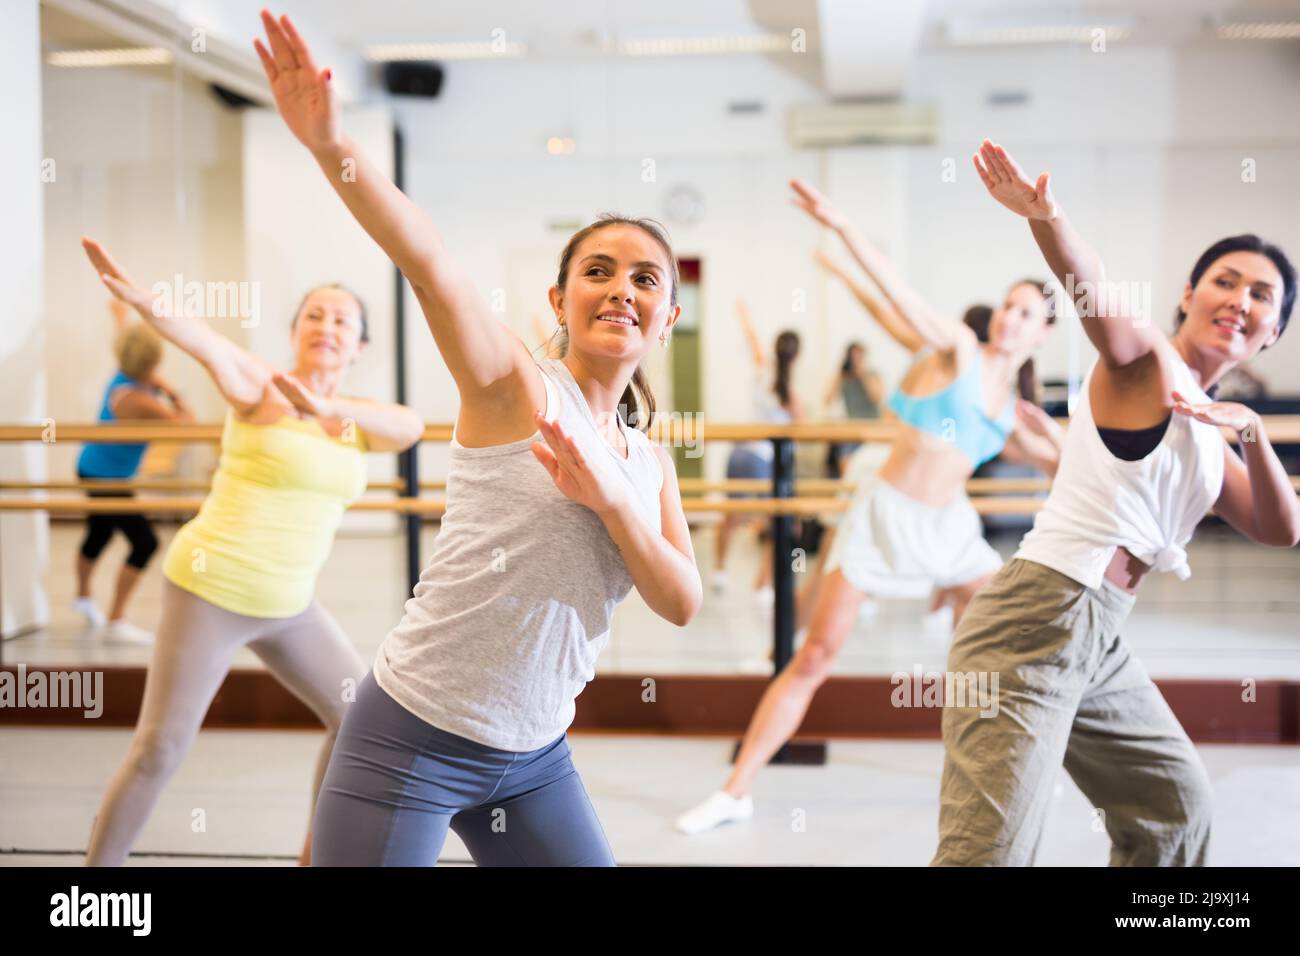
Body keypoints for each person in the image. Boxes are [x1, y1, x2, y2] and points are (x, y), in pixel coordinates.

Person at [252, 9, 701, 866]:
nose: (620, 289)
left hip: (535, 760)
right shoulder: (517, 389)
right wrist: (329, 146)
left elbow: (681, 600)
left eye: (644, 278)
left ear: (666, 317)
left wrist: (610, 497)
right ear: (559, 300)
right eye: (597, 271)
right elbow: (431, 263)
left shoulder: (648, 461)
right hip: (409, 738)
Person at [931, 140, 1300, 866]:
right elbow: (1094, 293)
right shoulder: (1147, 362)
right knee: (989, 855)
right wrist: (1048, 218)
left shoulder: (1213, 427)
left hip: (1097, 639)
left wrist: (1256, 436)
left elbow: (1280, 529)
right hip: (1035, 621)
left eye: (1262, 297)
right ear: (1188, 297)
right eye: (1226, 282)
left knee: (1174, 809)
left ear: (1275, 332)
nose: (1241, 301)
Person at [676, 176, 1063, 834]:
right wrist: (841, 227)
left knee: (1019, 640)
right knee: (817, 654)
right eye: (1008, 305)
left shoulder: (1020, 413)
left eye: (1026, 313)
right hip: (882, 517)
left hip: (948, 531)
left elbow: (1084, 466)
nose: (1010, 317)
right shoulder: (959, 350)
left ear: (1045, 333)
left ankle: (1017, 770)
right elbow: (897, 295)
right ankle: (736, 790)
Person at [81, 237, 424, 867]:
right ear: (294, 331)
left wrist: (328, 406)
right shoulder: (261, 388)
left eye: (342, 320)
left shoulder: (355, 419)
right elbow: (202, 341)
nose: (327, 327)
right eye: (314, 316)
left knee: (357, 720)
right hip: (210, 589)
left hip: (291, 605)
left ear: (361, 346)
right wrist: (145, 304)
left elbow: (410, 426)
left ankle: (315, 858)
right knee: (160, 747)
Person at [74, 301, 193, 642]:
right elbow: (188, 423)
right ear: (150, 363)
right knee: (145, 542)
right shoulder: (138, 399)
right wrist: (170, 390)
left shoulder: (124, 372)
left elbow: (125, 337)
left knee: (99, 534)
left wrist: (121, 318)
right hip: (104, 477)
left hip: (93, 466)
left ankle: (82, 598)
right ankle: (116, 618)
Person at [714, 299, 805, 600]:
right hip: (764, 458)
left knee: (731, 516)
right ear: (796, 357)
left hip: (740, 452)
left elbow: (753, 341)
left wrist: (744, 316)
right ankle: (762, 585)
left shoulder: (764, 370)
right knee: (782, 523)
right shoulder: (788, 391)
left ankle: (719, 573)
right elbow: (803, 423)